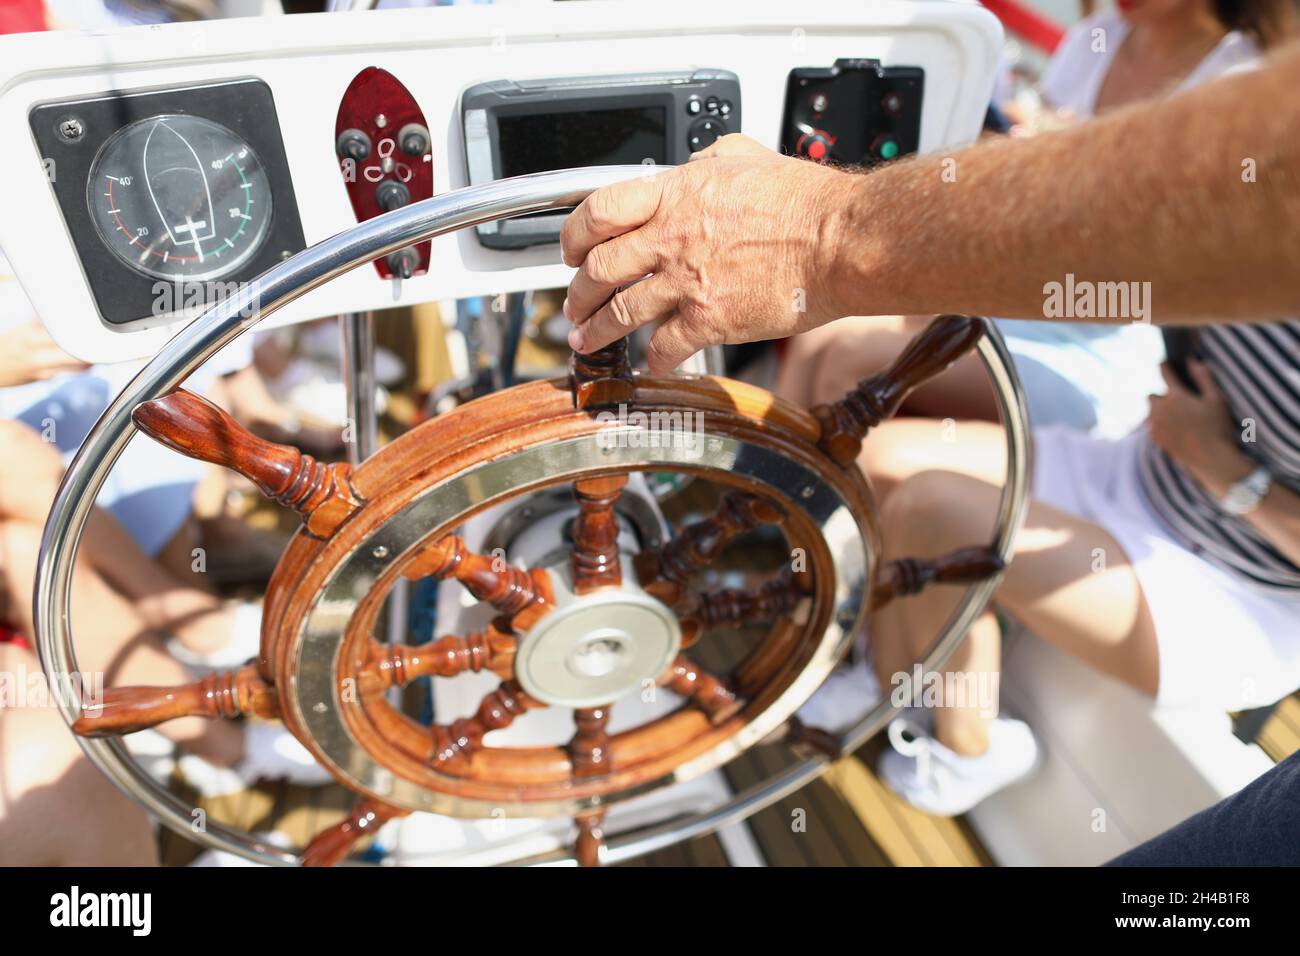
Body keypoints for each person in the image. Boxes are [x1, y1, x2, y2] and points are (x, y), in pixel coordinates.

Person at [558, 37, 1300, 366]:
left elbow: (1273, 183)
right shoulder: (1096, 40)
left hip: (1122, 355)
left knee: (841, 364)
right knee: (827, 356)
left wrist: (822, 233)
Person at [780, 0, 1288, 438]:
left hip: (1108, 345)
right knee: (829, 318)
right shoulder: (1098, 37)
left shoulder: (1237, 77)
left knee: (851, 358)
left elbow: (1151, 270)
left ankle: (795, 513)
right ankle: (764, 488)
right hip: (1016, 295)